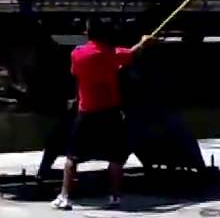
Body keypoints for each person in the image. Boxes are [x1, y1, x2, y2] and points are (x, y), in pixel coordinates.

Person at [51, 19, 154, 211]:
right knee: (115, 158)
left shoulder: (77, 54)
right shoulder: (112, 54)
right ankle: (115, 196)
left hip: (87, 112)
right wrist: (143, 42)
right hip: (111, 111)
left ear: (87, 33)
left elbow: (77, 74)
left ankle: (65, 197)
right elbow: (131, 53)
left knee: (72, 157)